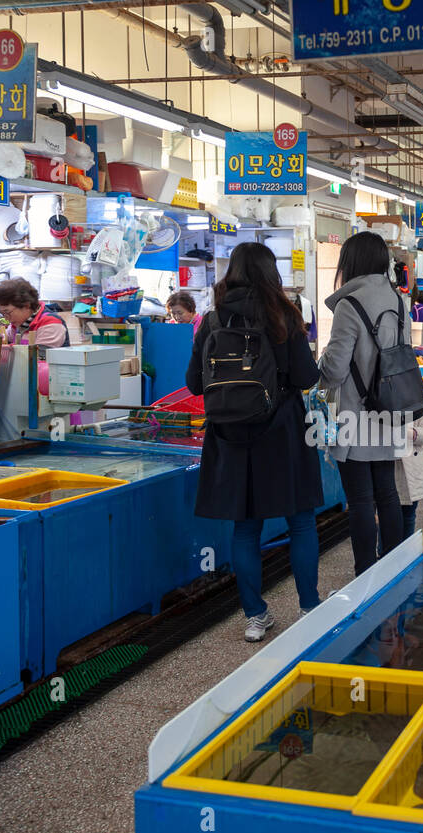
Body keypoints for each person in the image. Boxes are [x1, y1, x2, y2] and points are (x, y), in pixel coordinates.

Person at [183, 242, 323, 641]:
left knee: (245, 528)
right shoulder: (284, 316)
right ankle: (310, 606)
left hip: (229, 435)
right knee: (300, 521)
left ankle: (255, 617)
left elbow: (194, 383)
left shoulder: (211, 320)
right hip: (282, 432)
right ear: (269, 272)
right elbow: (306, 378)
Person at [319, 231, 409, 576]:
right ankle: (392, 567)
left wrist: (322, 363)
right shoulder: (399, 300)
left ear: (350, 263)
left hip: (355, 414)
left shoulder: (348, 304)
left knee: (360, 500)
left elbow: (336, 369)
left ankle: (365, 573)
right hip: (391, 408)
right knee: (386, 492)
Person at [392, 412, 423, 542]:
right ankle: (385, 555)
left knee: (409, 516)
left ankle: (407, 551)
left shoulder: (415, 403)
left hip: (412, 473)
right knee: (388, 518)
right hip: (388, 472)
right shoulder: (377, 401)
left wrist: (410, 433)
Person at [0, 277, 69, 348]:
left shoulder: (51, 322)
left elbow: (40, 356)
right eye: (2, 313)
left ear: (26, 305)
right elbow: (4, 342)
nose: (6, 318)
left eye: (7, 312)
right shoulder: (18, 324)